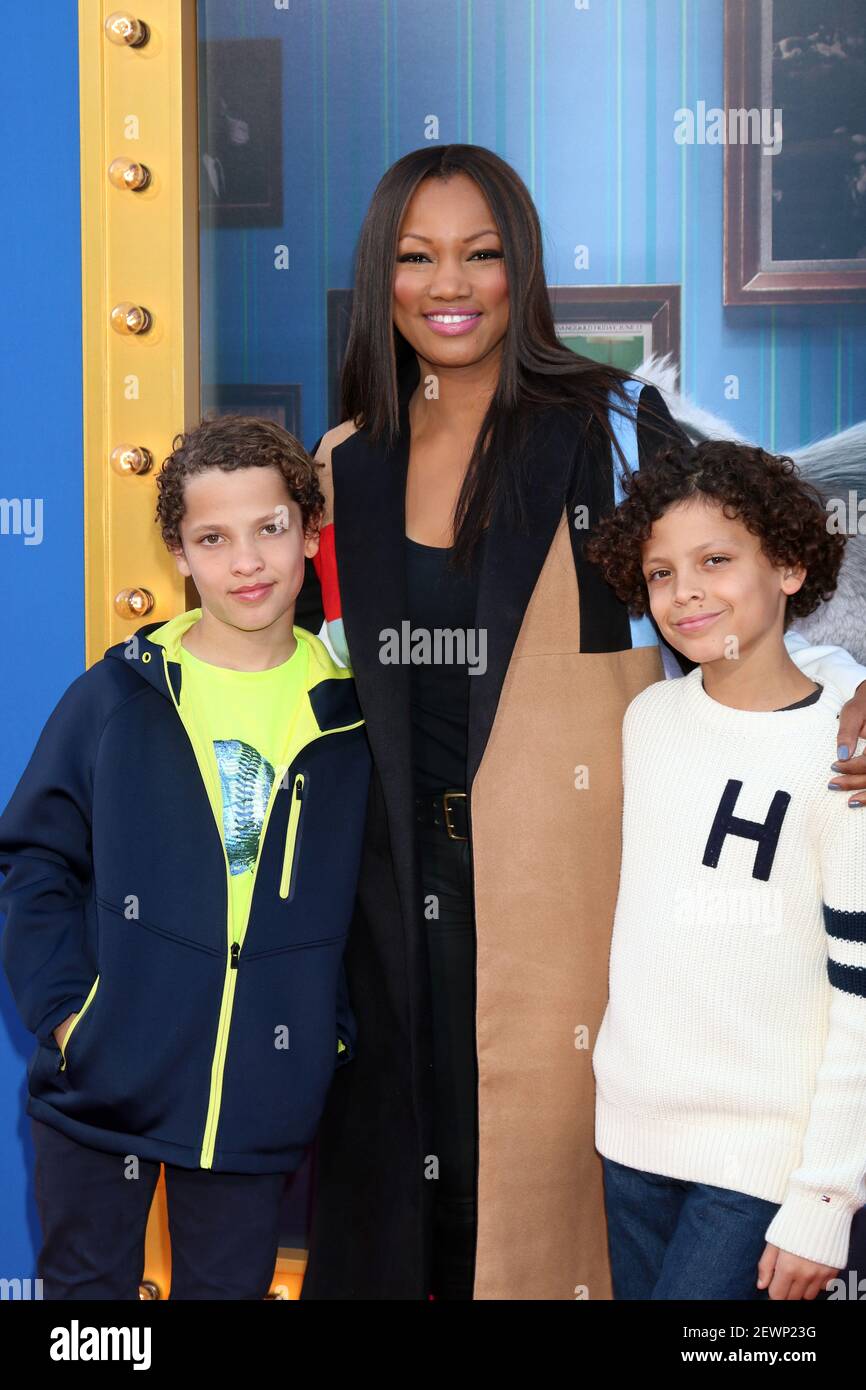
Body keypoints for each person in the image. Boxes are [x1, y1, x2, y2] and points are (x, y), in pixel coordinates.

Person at [297, 143, 866, 1300]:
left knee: (548, 1226)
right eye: (414, 256)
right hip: (387, 903)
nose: (446, 283)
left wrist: (854, 685)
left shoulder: (613, 425)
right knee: (408, 1214)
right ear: (379, 276)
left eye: (480, 252)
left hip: (575, 904)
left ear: (523, 267)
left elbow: (754, 579)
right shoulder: (344, 462)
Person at [0, 416, 371, 1299]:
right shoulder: (117, 694)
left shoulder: (351, 718)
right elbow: (35, 860)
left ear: (310, 535)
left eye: (270, 529)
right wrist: (69, 1018)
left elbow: (370, 900)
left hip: (259, 1098)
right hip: (101, 1092)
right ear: (180, 553)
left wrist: (329, 1038)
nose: (246, 562)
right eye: (214, 538)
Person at [586, 438, 866, 1300]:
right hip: (630, 1147)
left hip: (760, 1166)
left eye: (715, 560)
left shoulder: (845, 754)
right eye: (662, 572)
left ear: (787, 565)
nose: (687, 592)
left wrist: (825, 1196)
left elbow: (860, 993)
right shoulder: (650, 719)